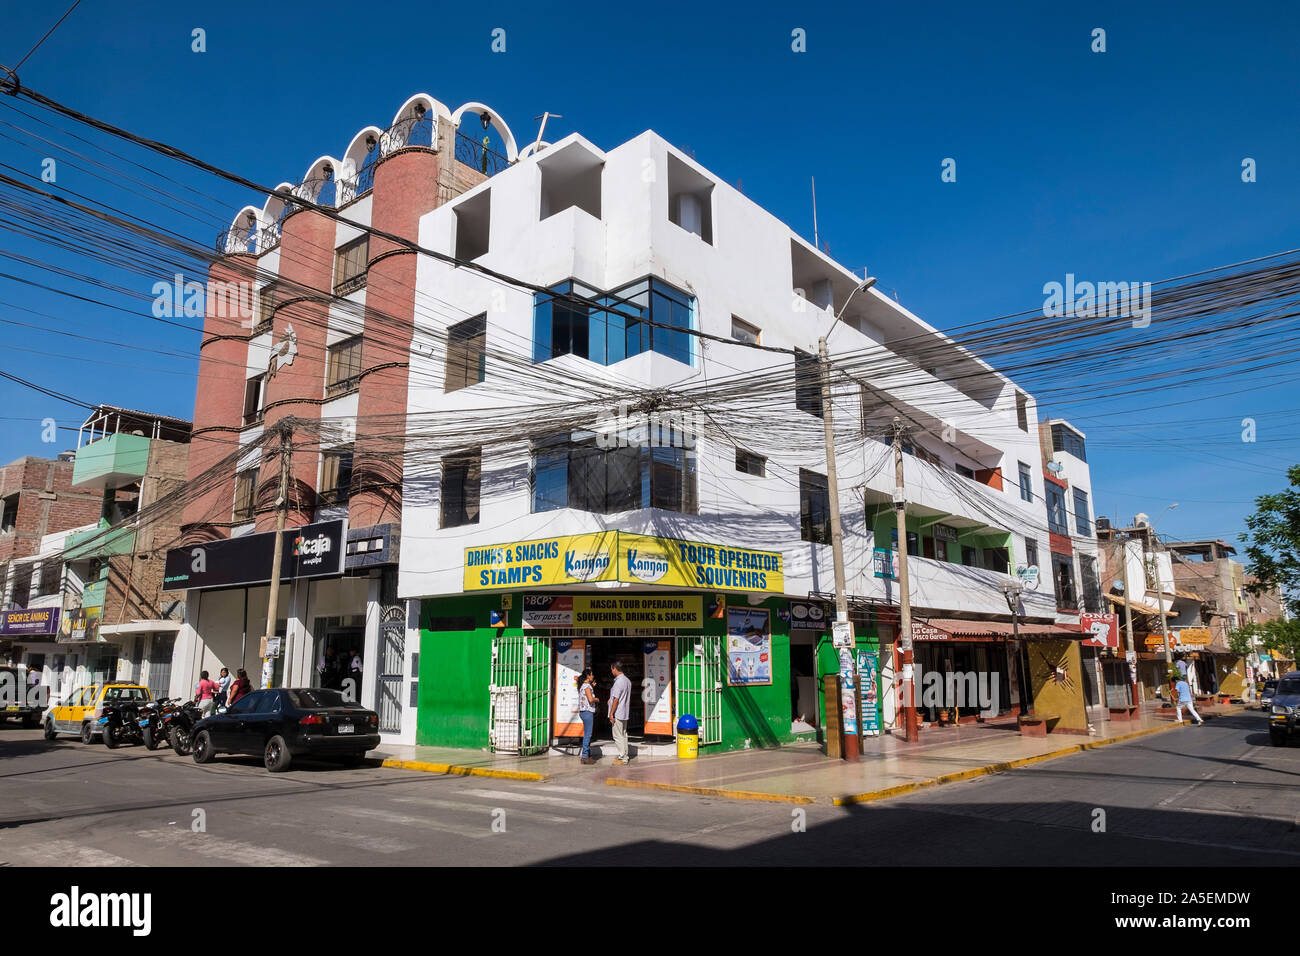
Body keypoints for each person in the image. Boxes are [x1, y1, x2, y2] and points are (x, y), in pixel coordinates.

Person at [608, 660, 632, 765]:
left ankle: (623, 756)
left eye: (611, 669)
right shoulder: (627, 680)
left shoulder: (618, 682)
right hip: (624, 712)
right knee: (623, 734)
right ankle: (625, 755)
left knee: (617, 736)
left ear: (614, 668)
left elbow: (616, 699)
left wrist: (611, 713)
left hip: (618, 712)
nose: (611, 671)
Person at [576, 668, 599, 765]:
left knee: (587, 734)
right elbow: (590, 699)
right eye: (592, 674)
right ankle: (585, 756)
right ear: (588, 676)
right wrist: (596, 699)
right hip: (587, 712)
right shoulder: (587, 686)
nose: (593, 676)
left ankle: (587, 755)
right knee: (588, 735)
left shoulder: (584, 686)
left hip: (583, 712)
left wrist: (592, 687)